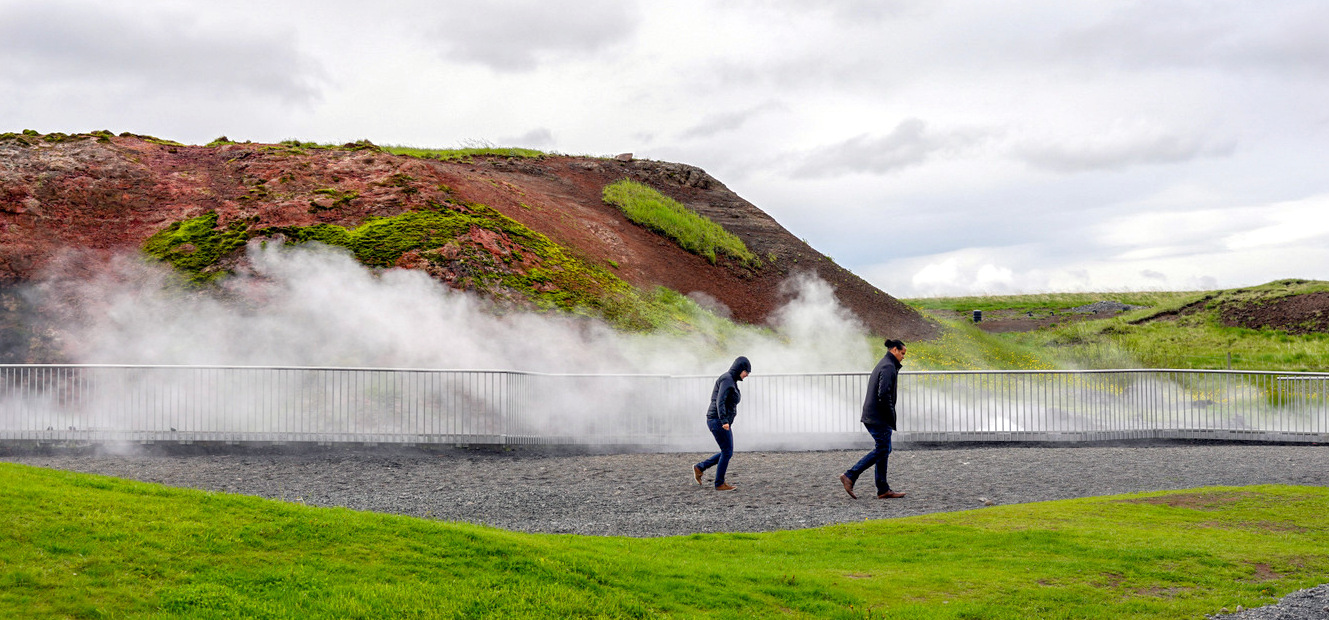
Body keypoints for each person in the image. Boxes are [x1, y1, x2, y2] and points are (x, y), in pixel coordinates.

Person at [840, 339, 907, 499]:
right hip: (878, 417)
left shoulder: (885, 364)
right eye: (902, 353)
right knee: (883, 449)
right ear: (894, 350)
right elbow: (883, 393)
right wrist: (890, 415)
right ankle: (850, 475)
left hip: (874, 415)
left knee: (884, 449)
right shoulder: (888, 366)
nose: (903, 357)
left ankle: (883, 489)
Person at [693, 356, 751, 491]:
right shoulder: (727, 379)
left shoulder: (731, 380)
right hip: (717, 420)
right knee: (727, 451)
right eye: (746, 371)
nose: (747, 375)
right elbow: (721, 401)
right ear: (740, 369)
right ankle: (719, 483)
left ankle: (700, 467)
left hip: (718, 420)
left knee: (727, 451)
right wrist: (724, 420)